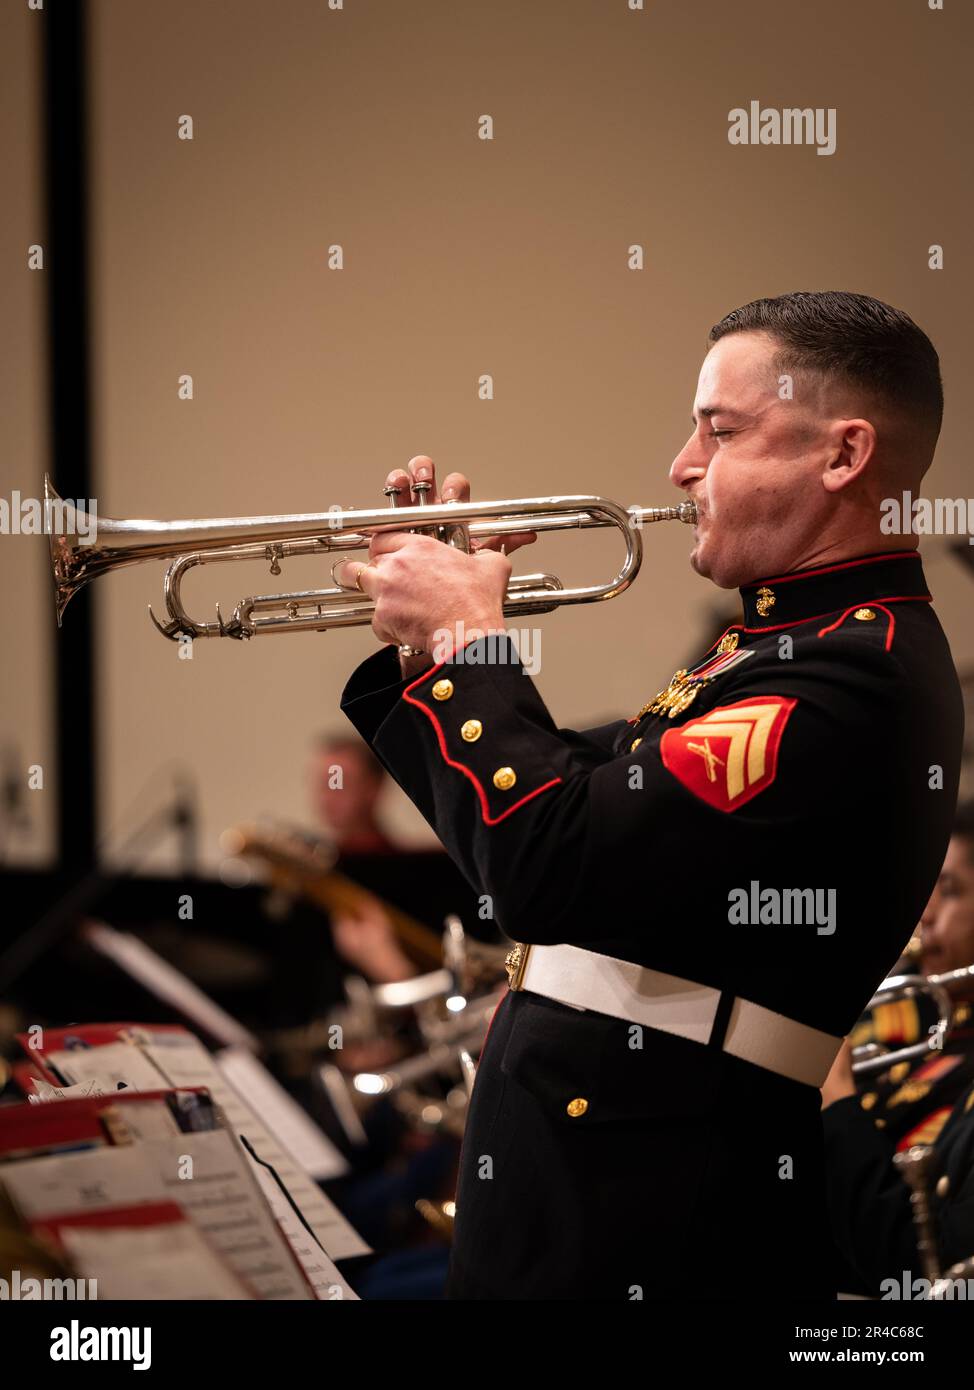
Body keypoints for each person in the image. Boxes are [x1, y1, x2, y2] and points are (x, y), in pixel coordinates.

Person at [337, 291, 964, 1299]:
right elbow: (563, 813)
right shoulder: (770, 644)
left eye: (719, 431)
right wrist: (430, 649)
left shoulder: (854, 671)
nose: (680, 465)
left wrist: (467, 639)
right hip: (595, 1175)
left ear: (842, 455)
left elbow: (545, 865)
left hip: (650, 1211)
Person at [821, 804, 974, 1293]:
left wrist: (837, 1100)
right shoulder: (902, 1011)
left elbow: (906, 1253)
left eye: (948, 891)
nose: (923, 913)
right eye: (923, 887)